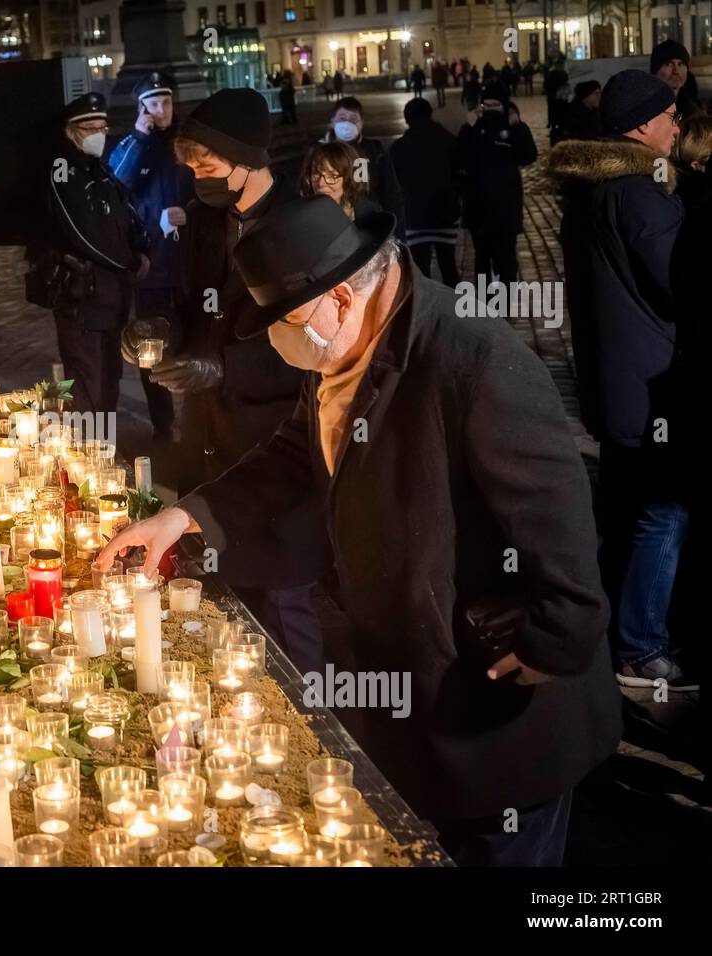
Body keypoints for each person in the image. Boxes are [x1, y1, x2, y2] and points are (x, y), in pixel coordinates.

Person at [99, 196, 621, 866]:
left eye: (287, 321)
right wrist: (186, 514)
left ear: (341, 298)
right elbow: (297, 453)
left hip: (500, 702)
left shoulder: (473, 358)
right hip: (411, 677)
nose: (283, 342)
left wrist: (556, 638)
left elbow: (562, 516)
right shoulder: (346, 349)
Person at [128, 87, 326, 673]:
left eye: (206, 165)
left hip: (277, 441)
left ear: (247, 159)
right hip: (211, 436)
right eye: (188, 165)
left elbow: (318, 343)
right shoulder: (209, 223)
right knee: (230, 589)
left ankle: (318, 724)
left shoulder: (301, 225)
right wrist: (162, 326)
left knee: (284, 593)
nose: (194, 177)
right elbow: (195, 306)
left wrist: (226, 368)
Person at [547, 70, 692, 690]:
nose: (678, 124)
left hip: (615, 381)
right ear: (641, 125)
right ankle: (640, 647)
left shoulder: (594, 186)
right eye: (670, 115)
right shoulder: (637, 191)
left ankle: (609, 632)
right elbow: (677, 278)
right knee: (664, 511)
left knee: (622, 507)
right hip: (649, 383)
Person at [38, 92, 149, 416]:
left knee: (110, 376)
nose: (99, 135)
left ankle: (108, 448)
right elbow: (83, 232)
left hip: (112, 297)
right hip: (81, 299)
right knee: (86, 383)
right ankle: (90, 451)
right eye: (90, 129)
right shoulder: (63, 169)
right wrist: (129, 262)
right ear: (71, 132)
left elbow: (125, 214)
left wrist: (142, 247)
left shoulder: (100, 171)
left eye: (102, 127)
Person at [109, 71, 194, 441]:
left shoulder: (187, 144)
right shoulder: (131, 143)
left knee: (193, 337)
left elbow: (206, 188)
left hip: (188, 262)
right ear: (141, 108)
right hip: (152, 262)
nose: (161, 110)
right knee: (150, 345)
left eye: (166, 102)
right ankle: (163, 423)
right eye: (154, 104)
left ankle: (195, 415)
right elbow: (117, 185)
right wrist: (140, 137)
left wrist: (191, 213)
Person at [457, 81, 537, 282]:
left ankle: (505, 309)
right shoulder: (472, 128)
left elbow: (528, 155)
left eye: (496, 105)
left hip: (506, 207)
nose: (491, 110)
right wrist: (472, 128)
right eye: (487, 105)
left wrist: (517, 128)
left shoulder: (513, 127)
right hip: (478, 208)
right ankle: (486, 309)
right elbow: (461, 158)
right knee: (482, 258)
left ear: (505, 105)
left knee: (507, 260)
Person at [390, 97, 462, 286]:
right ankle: (453, 309)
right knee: (448, 266)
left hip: (415, 215)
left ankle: (424, 311)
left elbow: (395, 182)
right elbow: (460, 173)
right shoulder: (448, 140)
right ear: (430, 114)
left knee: (420, 269)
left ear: (407, 119)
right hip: (444, 212)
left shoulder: (399, 147)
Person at [323, 97, 406, 235]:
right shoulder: (319, 152)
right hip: (330, 229)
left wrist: (397, 234)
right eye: (342, 118)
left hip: (368, 229)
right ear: (332, 121)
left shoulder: (374, 150)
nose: (347, 124)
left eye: (353, 119)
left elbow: (391, 193)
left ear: (361, 123)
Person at [299, 141, 381, 221]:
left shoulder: (370, 214)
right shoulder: (300, 217)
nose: (320, 184)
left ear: (349, 178)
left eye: (332, 176)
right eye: (316, 174)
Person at [651, 39, 704, 119]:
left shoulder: (692, 109)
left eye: (681, 64)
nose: (676, 71)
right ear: (655, 70)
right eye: (669, 64)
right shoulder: (648, 110)